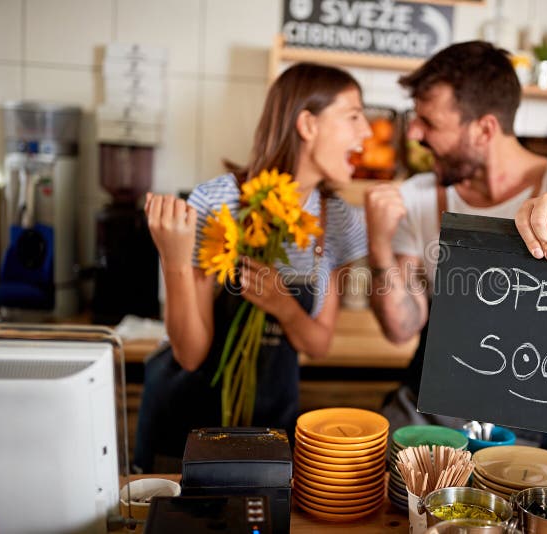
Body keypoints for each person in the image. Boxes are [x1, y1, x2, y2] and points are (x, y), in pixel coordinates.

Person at [364, 41, 547, 448]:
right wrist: (379, 246)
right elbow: (401, 329)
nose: (413, 133)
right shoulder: (419, 196)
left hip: (532, 414)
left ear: (485, 129)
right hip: (430, 409)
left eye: (428, 121)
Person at [135, 62, 372, 472]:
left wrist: (283, 304)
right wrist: (173, 260)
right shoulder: (216, 202)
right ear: (307, 124)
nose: (366, 131)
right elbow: (190, 355)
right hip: (184, 434)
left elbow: (317, 344)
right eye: (353, 116)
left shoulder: (338, 220)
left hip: (269, 434)